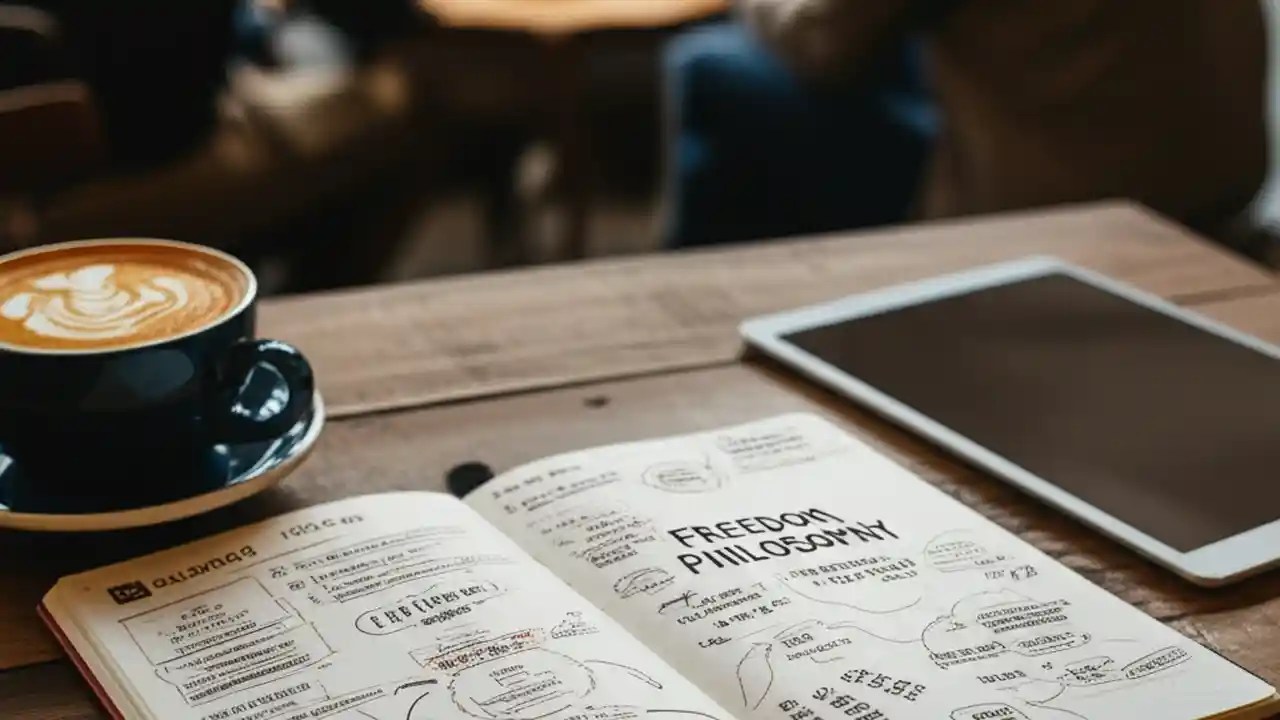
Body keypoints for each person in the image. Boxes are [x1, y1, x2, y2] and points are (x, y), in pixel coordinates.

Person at [670, 0, 1267, 246]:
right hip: (1209, 188)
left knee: (711, 68)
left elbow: (816, 37)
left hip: (1059, 212)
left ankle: (714, 338)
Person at [663, 22, 937, 247]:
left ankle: (701, 271)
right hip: (914, 72)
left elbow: (821, 40)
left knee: (707, 70)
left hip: (932, 127)